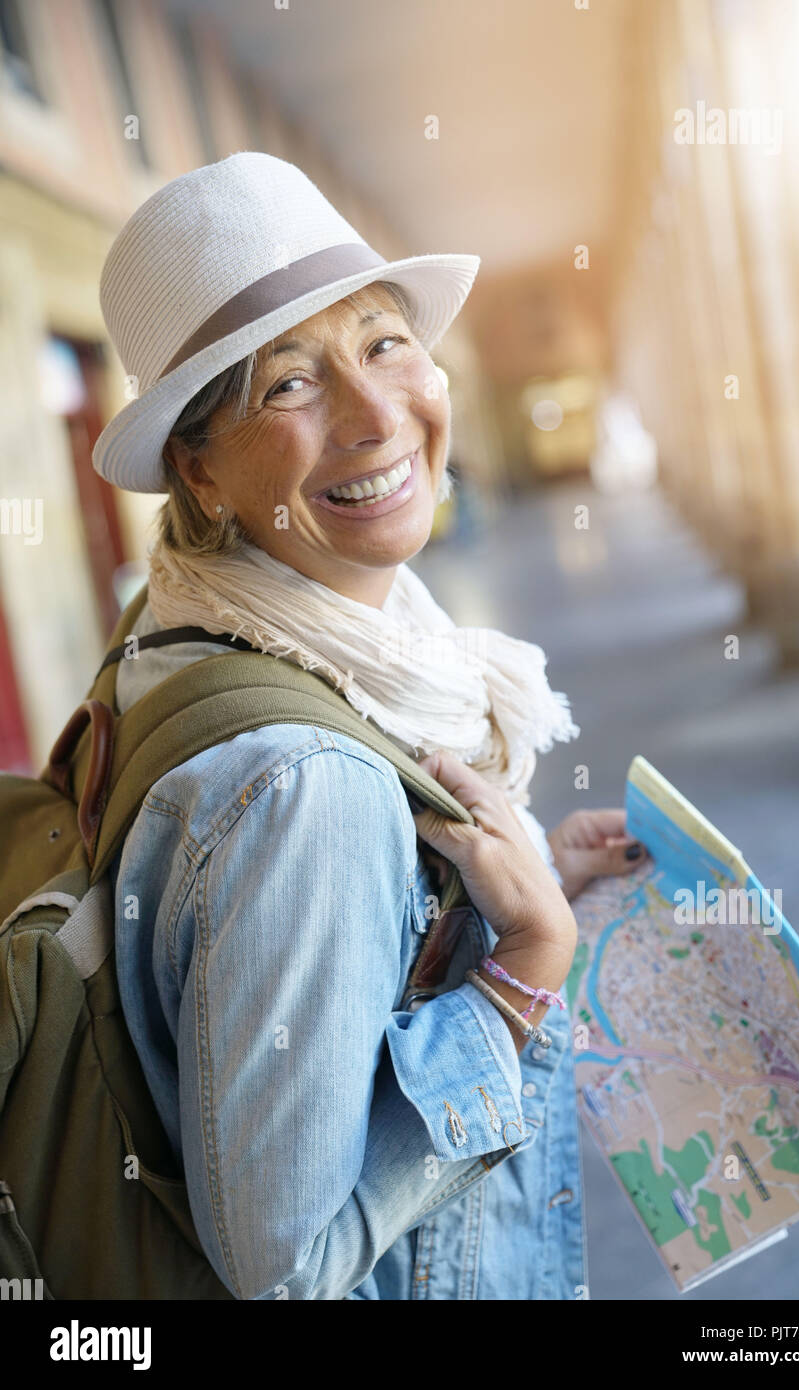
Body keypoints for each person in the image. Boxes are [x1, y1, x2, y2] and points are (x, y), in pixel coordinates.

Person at [92, 152, 644, 1300]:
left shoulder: (175, 634)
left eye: (386, 342)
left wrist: (522, 892)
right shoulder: (306, 788)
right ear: (198, 471)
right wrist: (525, 974)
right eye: (289, 383)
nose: (377, 412)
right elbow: (287, 1267)